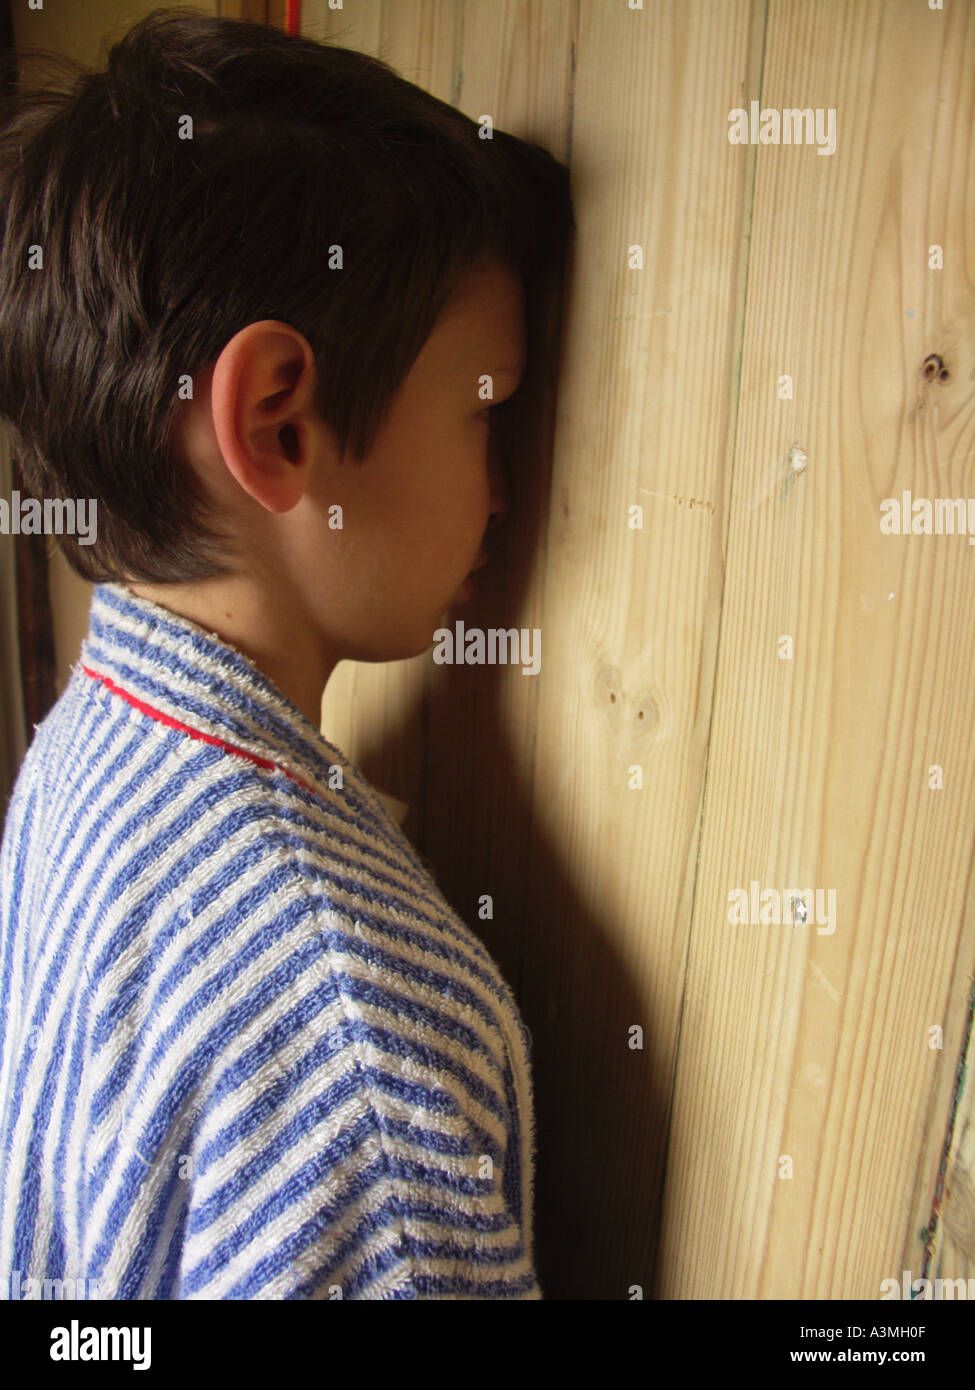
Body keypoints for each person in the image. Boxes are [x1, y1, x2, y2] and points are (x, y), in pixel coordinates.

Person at [0, 7, 573, 1299]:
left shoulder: (84, 746)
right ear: (277, 423)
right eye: (488, 408)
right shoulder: (356, 1033)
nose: (505, 488)